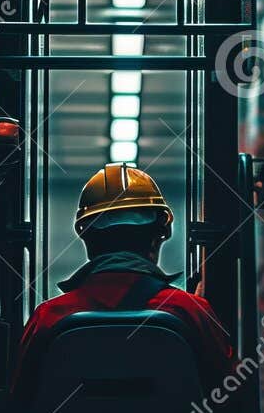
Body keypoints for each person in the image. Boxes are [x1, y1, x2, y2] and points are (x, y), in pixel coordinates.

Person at [12, 163, 233, 398]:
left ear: (86, 236)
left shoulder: (49, 317)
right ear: (159, 236)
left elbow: (18, 405)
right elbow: (232, 397)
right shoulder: (191, 312)